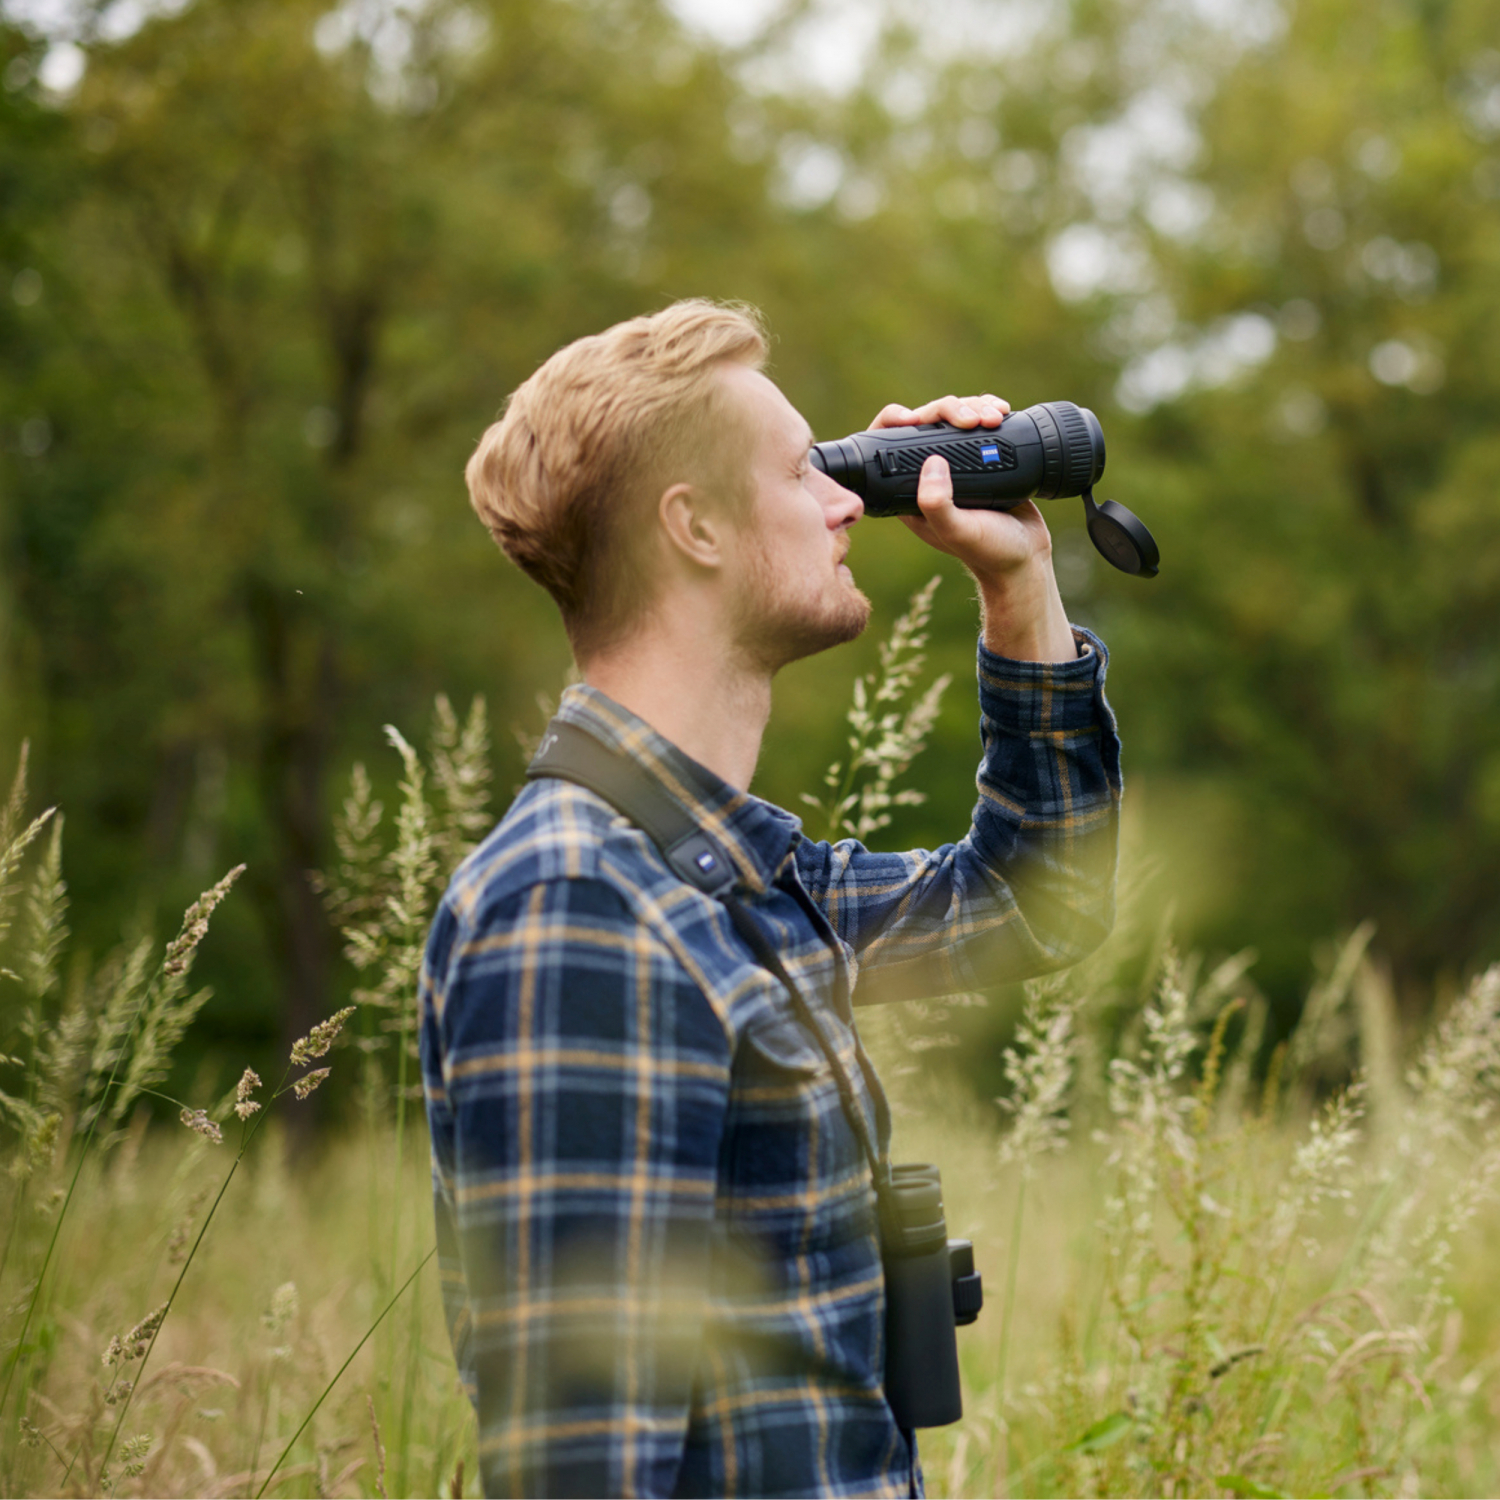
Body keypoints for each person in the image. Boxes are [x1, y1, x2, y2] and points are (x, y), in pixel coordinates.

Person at [419, 299, 1121, 1498]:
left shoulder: (732, 882)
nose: (850, 500)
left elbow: (1036, 900)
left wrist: (1020, 581)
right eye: (804, 469)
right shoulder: (581, 909)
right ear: (692, 525)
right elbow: (584, 1468)